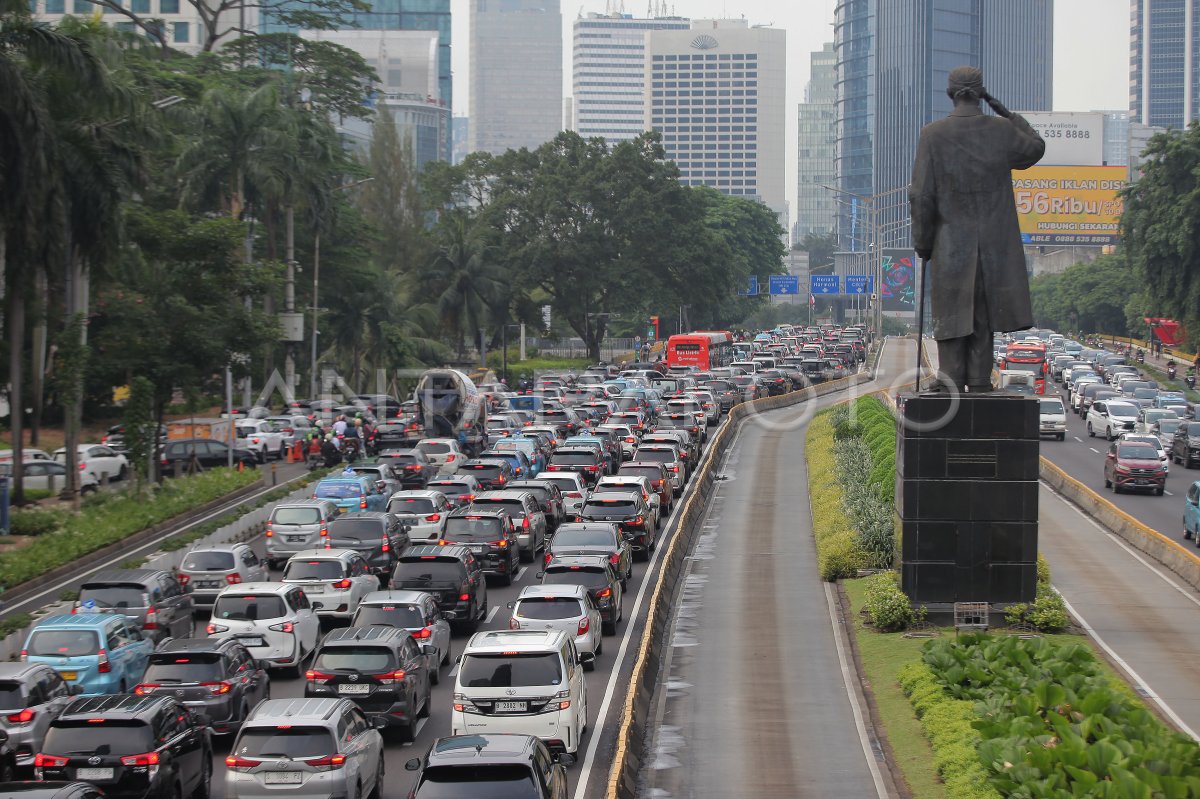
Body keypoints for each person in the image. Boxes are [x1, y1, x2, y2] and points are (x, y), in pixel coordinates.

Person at [909, 66, 1045, 393]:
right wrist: (1001, 108)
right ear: (980, 92)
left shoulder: (933, 135)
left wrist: (923, 242)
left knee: (952, 314)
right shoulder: (1000, 131)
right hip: (993, 245)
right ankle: (980, 381)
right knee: (982, 317)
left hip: (949, 241)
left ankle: (951, 379)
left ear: (950, 92)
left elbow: (921, 195)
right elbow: (1035, 146)